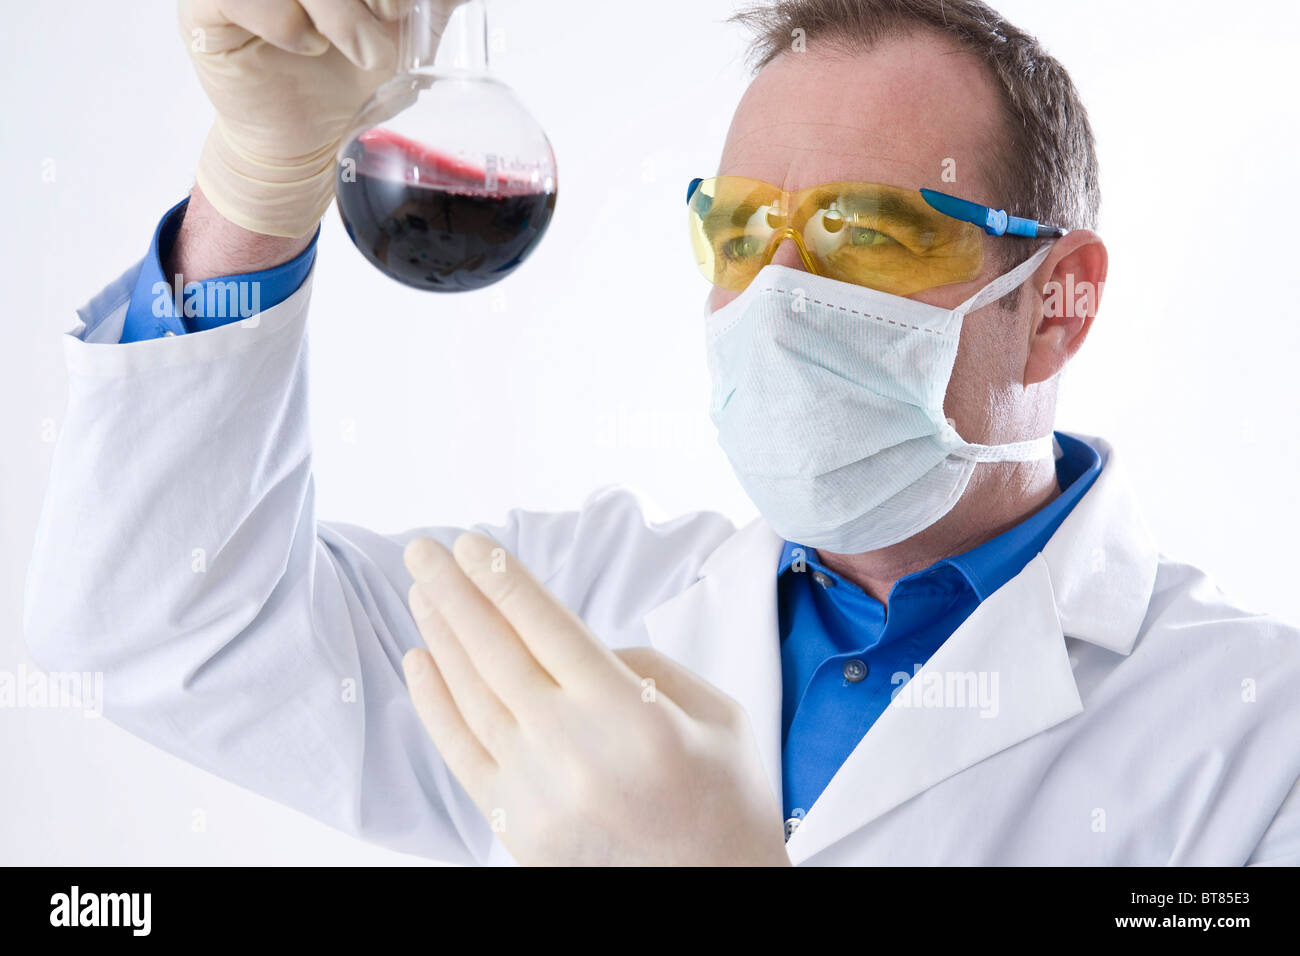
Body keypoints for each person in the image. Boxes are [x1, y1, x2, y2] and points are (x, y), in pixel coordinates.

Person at [24, 0, 1300, 866]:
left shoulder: (1255, 739)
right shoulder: (580, 618)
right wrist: (256, 176)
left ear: (1055, 307)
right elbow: (158, 626)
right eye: (742, 231)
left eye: (862, 233)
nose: (774, 295)